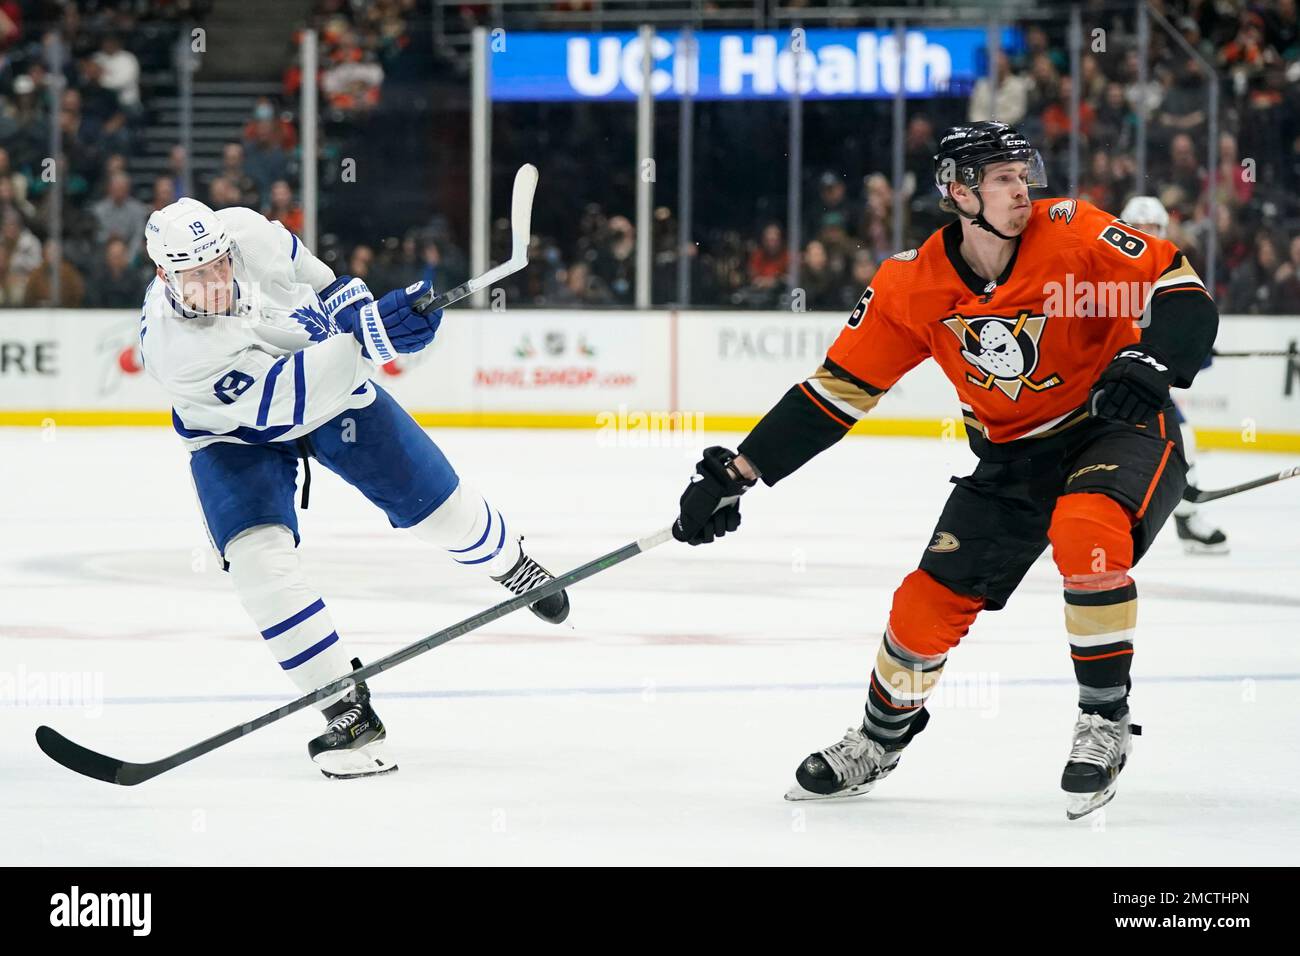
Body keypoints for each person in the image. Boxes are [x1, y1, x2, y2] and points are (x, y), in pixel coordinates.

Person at [671, 122, 1218, 819]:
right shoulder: (911, 284)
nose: (1023, 190)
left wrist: (1153, 358)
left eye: (1024, 176)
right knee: (920, 607)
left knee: (1088, 533)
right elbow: (837, 392)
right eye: (1002, 179)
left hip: (1117, 426)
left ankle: (1105, 722)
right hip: (1013, 456)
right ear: (960, 193)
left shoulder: (1074, 229)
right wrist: (737, 472)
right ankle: (878, 739)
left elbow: (1180, 287)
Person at [140, 198, 570, 779]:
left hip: (329, 387)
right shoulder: (176, 349)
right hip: (236, 433)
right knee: (257, 560)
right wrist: (369, 342)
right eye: (198, 275)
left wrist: (372, 313)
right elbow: (285, 403)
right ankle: (344, 707)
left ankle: (510, 562)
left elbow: (320, 284)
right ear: (165, 276)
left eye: (220, 263)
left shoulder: (246, 232)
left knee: (437, 508)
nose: (216, 280)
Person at [1120, 195, 1227, 554]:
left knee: (1185, 444)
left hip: (1146, 384)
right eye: (1137, 229)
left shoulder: (1171, 272)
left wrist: (1194, 348)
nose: (1145, 236)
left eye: (1151, 229)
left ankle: (1188, 520)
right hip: (1104, 379)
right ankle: (1044, 522)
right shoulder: (1106, 269)